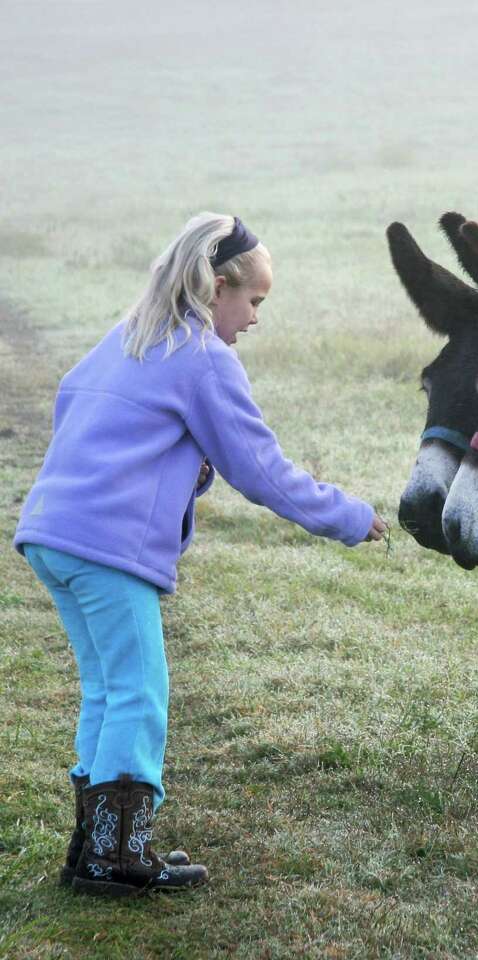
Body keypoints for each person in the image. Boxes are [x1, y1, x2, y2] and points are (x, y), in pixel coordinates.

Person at [13, 213, 388, 897]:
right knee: (139, 692)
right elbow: (261, 469)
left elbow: (75, 411)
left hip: (51, 535)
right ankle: (119, 858)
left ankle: (95, 851)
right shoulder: (203, 357)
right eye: (254, 302)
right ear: (219, 286)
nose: (253, 320)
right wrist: (350, 517)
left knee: (107, 688)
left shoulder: (126, 340)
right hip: (106, 549)